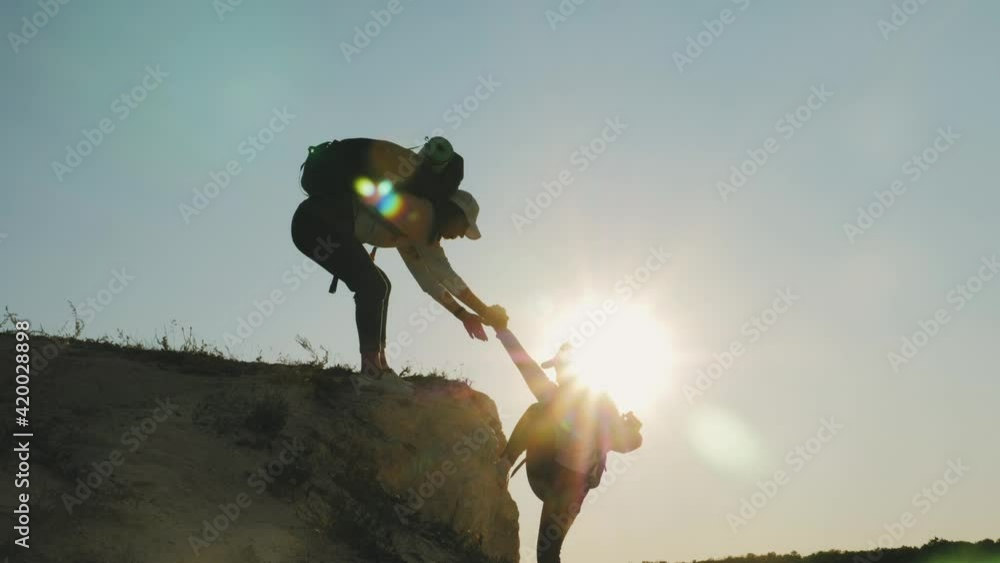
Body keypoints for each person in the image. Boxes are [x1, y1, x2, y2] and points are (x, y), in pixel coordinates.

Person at [291, 136, 507, 391]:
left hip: (314, 224)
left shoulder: (412, 232)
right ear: (452, 212)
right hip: (318, 223)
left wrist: (463, 316)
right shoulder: (422, 217)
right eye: (463, 226)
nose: (461, 234)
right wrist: (485, 312)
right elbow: (444, 274)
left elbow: (427, 281)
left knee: (380, 284)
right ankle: (372, 372)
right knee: (372, 285)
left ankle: (379, 369)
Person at [493, 324, 643, 563]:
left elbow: (629, 443)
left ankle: (505, 464)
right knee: (537, 411)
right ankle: (503, 465)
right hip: (547, 473)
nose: (557, 373)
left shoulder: (601, 404)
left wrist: (633, 430)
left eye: (562, 367)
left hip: (572, 488)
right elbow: (526, 366)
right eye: (557, 368)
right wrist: (501, 330)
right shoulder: (553, 396)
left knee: (547, 552)